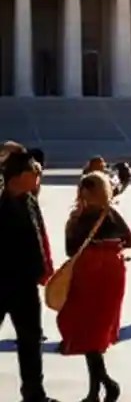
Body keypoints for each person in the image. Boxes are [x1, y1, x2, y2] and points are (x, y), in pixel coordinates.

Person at [58, 172, 131, 402]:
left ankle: (101, 388)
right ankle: (103, 386)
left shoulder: (79, 218)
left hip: (90, 275)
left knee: (90, 332)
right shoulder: (110, 215)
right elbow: (130, 240)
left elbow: (71, 250)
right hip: (110, 274)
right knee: (95, 333)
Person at [0, 150, 59, 402]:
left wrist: (45, 267)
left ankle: (34, 393)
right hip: (0, 283)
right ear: (17, 176)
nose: (38, 175)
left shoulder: (29, 200)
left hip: (25, 284)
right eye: (33, 172)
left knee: (31, 340)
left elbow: (39, 236)